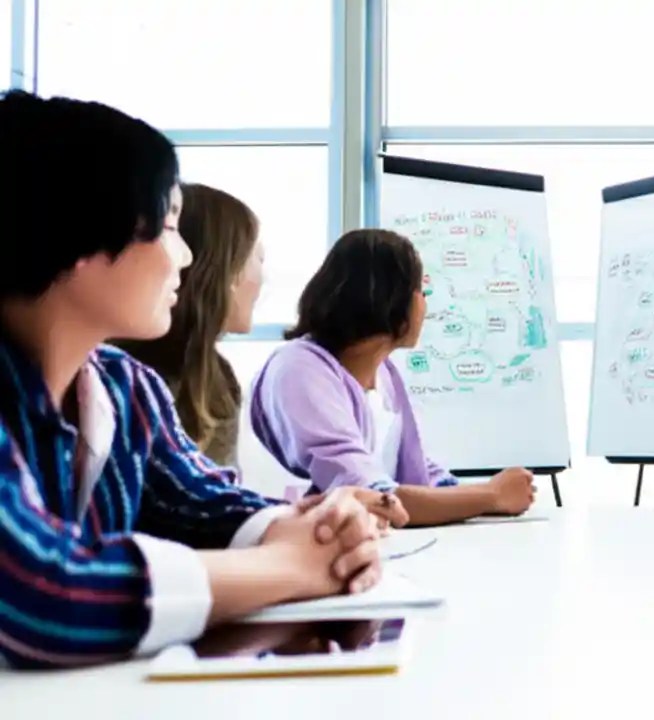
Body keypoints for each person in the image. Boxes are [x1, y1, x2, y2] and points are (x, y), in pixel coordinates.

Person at [0, 91, 391, 669]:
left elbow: (206, 505)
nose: (184, 257)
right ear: (84, 234)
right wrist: (290, 565)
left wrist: (323, 533)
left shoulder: (125, 388)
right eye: (170, 226)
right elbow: (40, 598)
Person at [250, 229, 536, 526]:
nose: (424, 305)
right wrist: (490, 495)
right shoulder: (299, 370)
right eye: (421, 292)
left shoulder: (383, 372)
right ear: (393, 299)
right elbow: (372, 498)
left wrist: (481, 495)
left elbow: (412, 469)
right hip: (298, 550)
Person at [115, 183, 264, 468]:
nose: (183, 256)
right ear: (222, 270)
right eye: (258, 258)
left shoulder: (216, 376)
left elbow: (213, 499)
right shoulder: (126, 380)